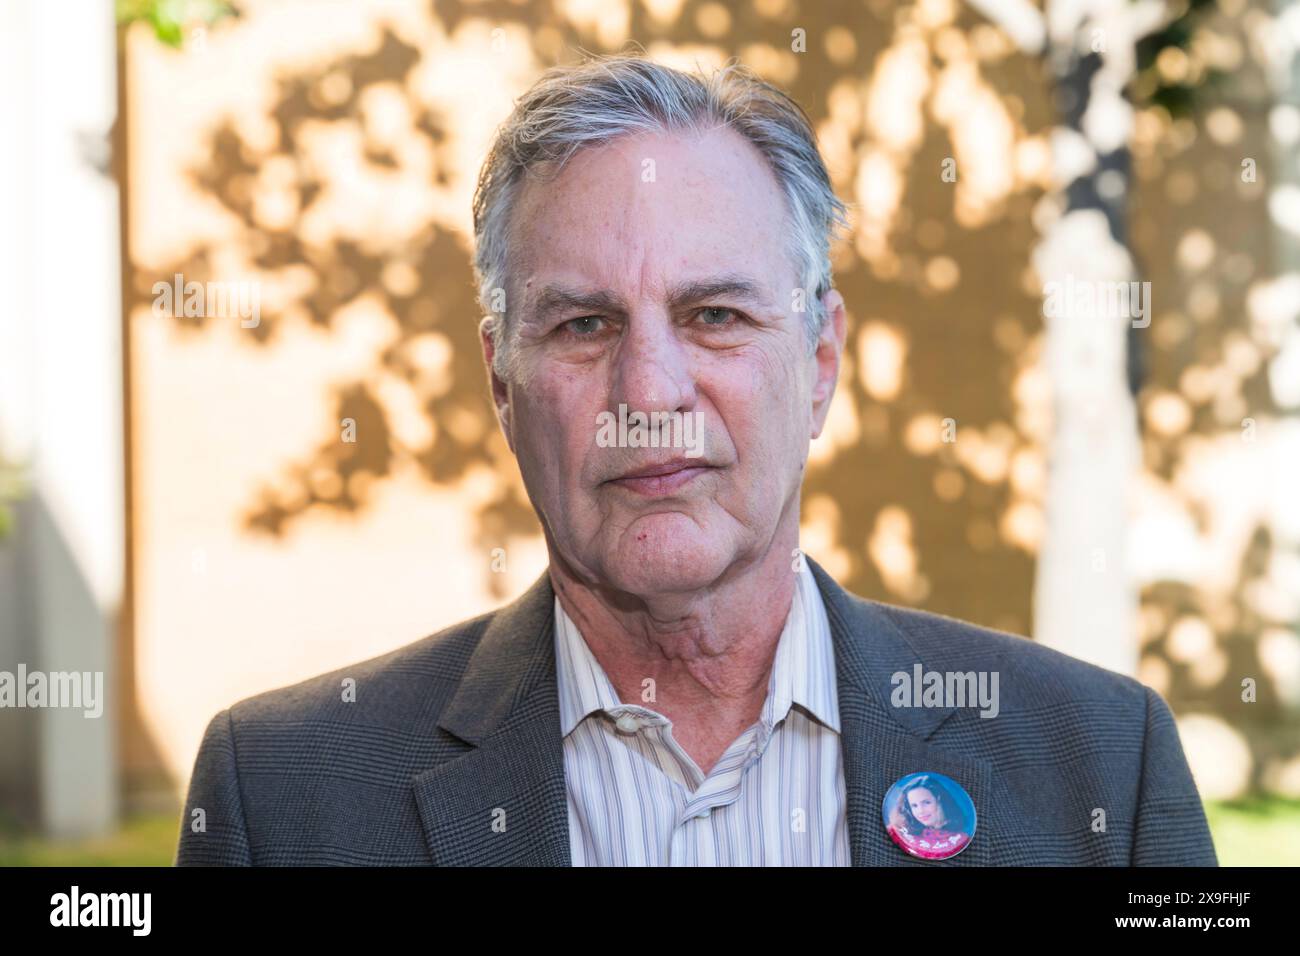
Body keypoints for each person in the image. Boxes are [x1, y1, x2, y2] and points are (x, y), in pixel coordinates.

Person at [175, 54, 1218, 866]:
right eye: (583, 325)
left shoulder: (1097, 764)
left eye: (714, 314)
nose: (650, 392)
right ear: (502, 380)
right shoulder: (286, 795)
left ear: (818, 359)